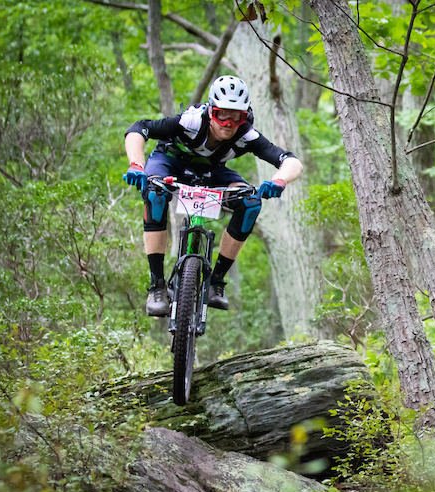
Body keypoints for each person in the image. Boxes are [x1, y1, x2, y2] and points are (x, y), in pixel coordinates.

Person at [122, 75, 303, 316]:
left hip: (212, 171)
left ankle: (216, 281)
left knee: (250, 202)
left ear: (245, 115)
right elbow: (138, 128)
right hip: (169, 162)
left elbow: (290, 160)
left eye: (236, 116)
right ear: (210, 112)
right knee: (154, 194)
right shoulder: (191, 121)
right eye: (222, 114)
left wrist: (279, 180)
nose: (228, 123)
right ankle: (157, 285)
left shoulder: (246, 135)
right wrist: (136, 164)